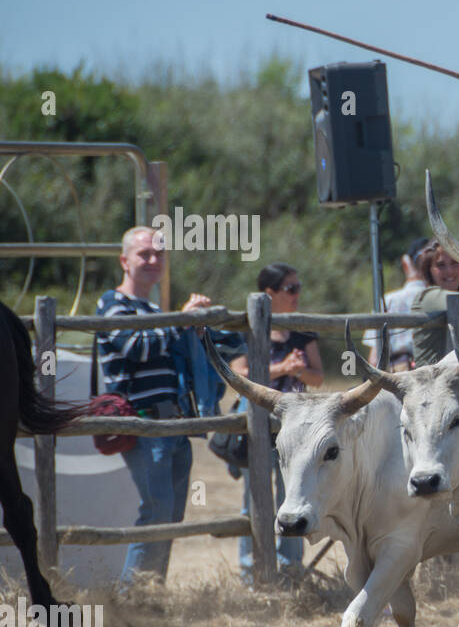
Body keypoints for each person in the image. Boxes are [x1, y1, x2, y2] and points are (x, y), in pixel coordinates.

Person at [96, 226, 218, 591]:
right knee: (157, 510)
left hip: (172, 424)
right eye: (144, 254)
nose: (153, 260)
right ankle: (130, 596)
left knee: (169, 516)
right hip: (144, 424)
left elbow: (171, 351)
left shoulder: (152, 309)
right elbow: (137, 347)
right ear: (124, 261)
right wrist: (182, 320)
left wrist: (193, 329)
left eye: (159, 254)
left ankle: (151, 595)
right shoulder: (111, 303)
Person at [232, 263, 323, 585]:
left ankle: (290, 569)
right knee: (254, 501)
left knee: (293, 495)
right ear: (269, 293)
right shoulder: (247, 328)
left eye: (298, 287)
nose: (297, 294)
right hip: (256, 426)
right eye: (290, 288)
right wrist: (283, 368)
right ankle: (252, 571)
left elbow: (318, 377)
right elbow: (239, 374)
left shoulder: (301, 329)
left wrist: (298, 371)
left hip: (294, 428)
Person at [364, 238, 429, 371]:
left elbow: (374, 359)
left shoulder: (388, 300)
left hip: (397, 372)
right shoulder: (443, 298)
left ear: (406, 264)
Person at [410, 241, 459, 366]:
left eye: (455, 263)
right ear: (429, 270)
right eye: (441, 265)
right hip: (431, 377)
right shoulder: (427, 296)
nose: (449, 271)